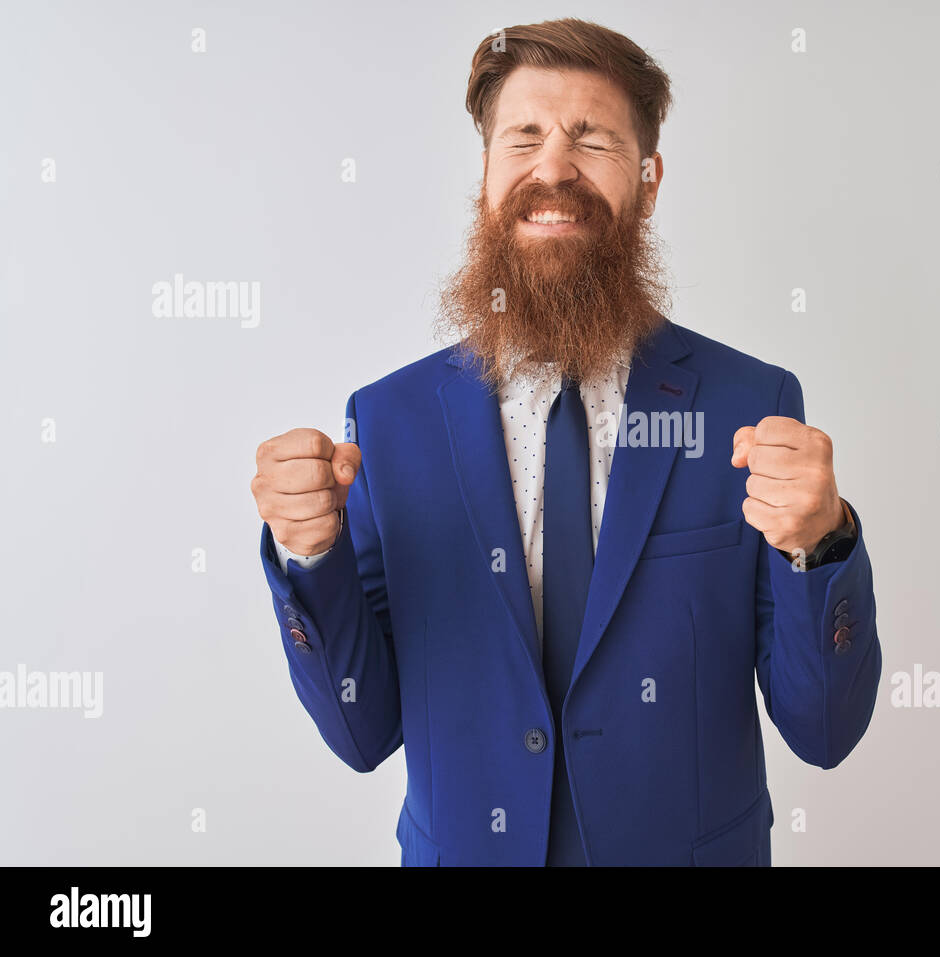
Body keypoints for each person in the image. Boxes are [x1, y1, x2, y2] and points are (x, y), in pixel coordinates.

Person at [249, 17, 882, 866]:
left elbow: (825, 729)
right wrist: (308, 556)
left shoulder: (749, 405)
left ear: (649, 182)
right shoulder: (389, 422)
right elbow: (364, 731)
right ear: (484, 177)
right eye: (525, 138)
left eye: (592, 139)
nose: (554, 167)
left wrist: (822, 542)